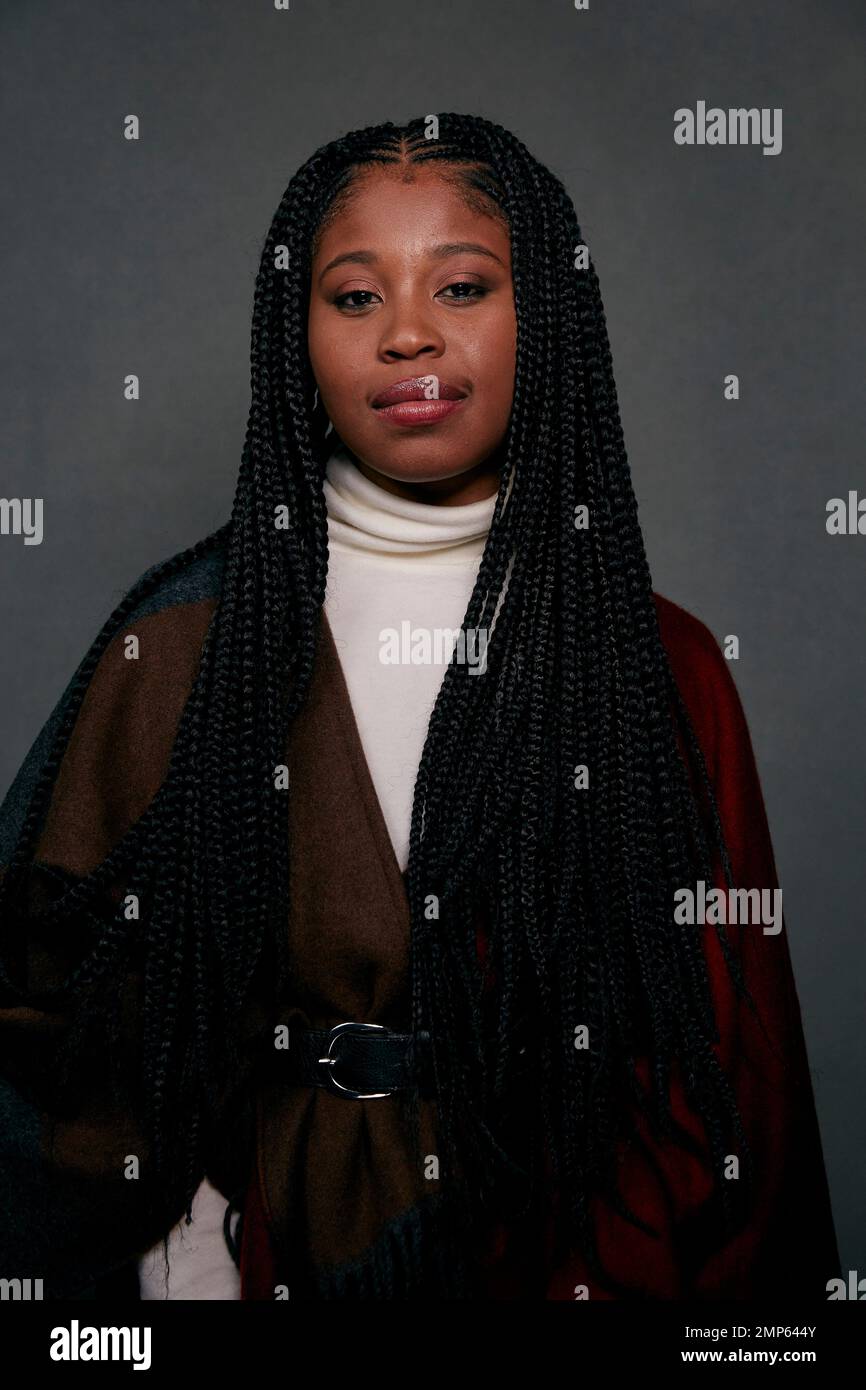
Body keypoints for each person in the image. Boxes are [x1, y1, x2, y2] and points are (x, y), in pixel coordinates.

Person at [0, 113, 839, 1300]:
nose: (405, 331)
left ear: (541, 315)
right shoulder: (184, 644)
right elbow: (53, 1028)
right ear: (294, 336)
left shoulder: (660, 663)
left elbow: (725, 1077)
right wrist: (176, 1248)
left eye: (460, 284)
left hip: (566, 1263)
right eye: (352, 297)